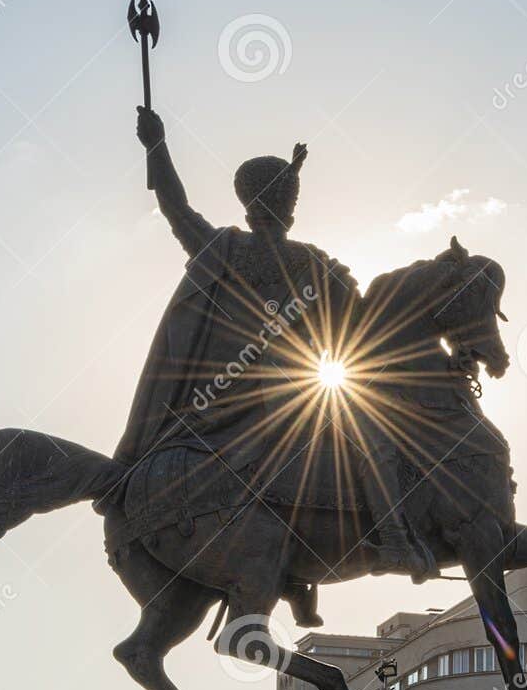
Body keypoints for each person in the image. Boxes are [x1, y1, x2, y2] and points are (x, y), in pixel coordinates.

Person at [116, 106, 435, 582]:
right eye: (285, 195)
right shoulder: (239, 250)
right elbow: (174, 207)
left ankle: (302, 568)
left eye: (290, 195)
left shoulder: (303, 259)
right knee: (374, 441)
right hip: (265, 398)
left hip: (279, 391)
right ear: (261, 202)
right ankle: (390, 540)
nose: (288, 206)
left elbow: (357, 318)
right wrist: (157, 149)